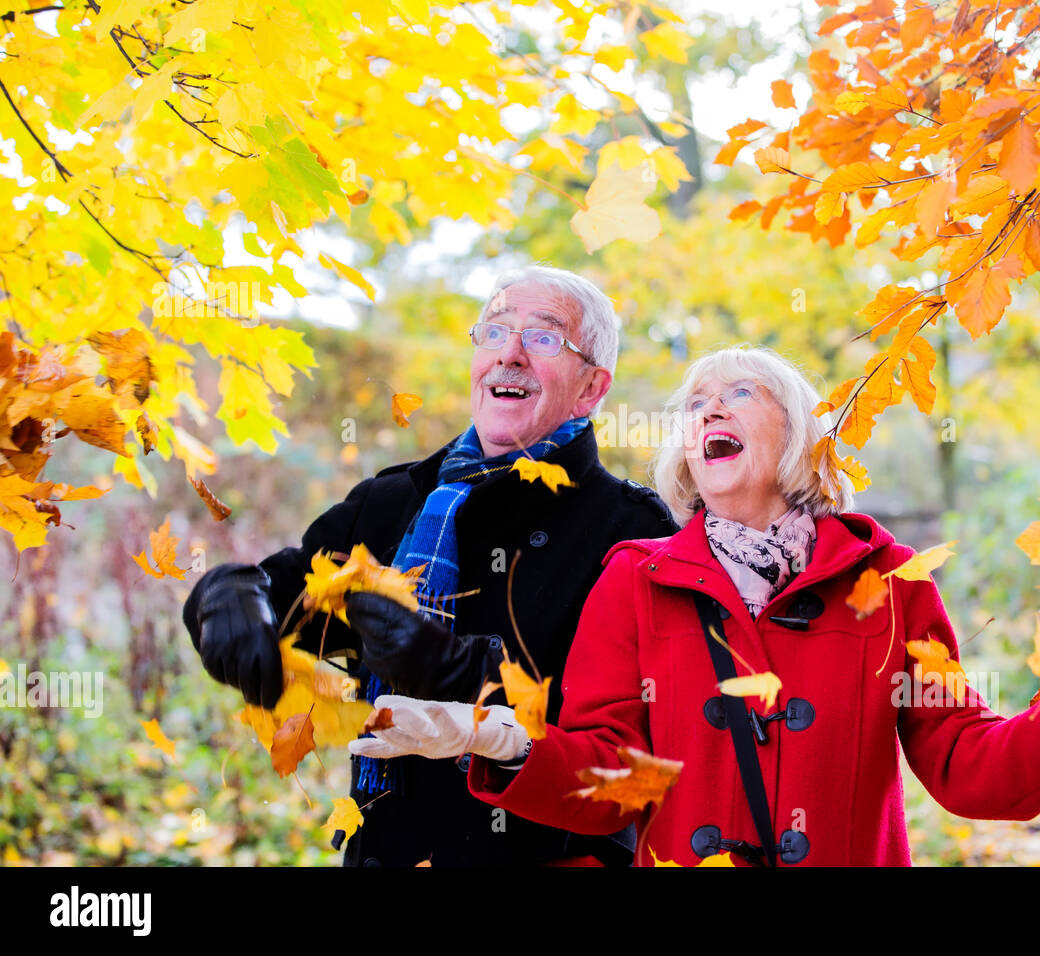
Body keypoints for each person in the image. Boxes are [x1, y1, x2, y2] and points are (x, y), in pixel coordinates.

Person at [348, 345, 1040, 866]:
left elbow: (959, 756)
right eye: (697, 406)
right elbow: (611, 774)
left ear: (800, 434)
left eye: (739, 395)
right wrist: (492, 735)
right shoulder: (635, 580)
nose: (709, 414)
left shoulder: (889, 580)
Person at [182, 265, 678, 867]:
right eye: (494, 332)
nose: (510, 354)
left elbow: (627, 760)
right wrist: (228, 597)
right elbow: (289, 598)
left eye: (544, 338)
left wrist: (458, 673)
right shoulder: (395, 501)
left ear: (592, 389)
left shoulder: (633, 531)